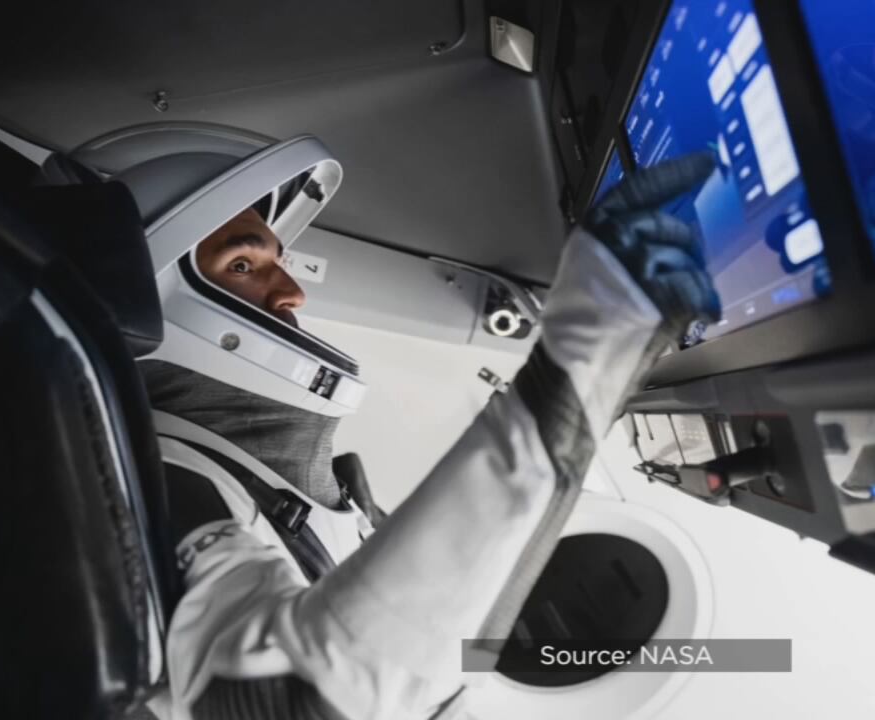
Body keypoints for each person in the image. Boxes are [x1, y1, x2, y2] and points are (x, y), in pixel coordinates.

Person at [134, 145, 721, 720]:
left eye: (278, 262)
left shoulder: (296, 488)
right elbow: (290, 699)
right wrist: (585, 358)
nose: (293, 292)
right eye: (243, 265)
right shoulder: (160, 486)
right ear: (148, 304)